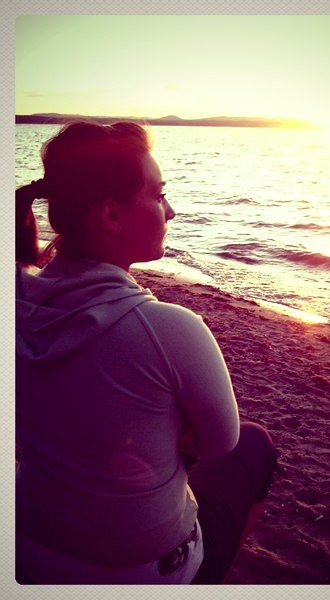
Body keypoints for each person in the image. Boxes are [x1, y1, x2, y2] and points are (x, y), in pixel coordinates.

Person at [15, 121, 277, 584]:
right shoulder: (168, 328)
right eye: (158, 195)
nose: (170, 210)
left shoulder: (15, 302)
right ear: (112, 216)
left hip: (27, 550)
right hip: (145, 575)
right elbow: (220, 444)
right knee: (255, 444)